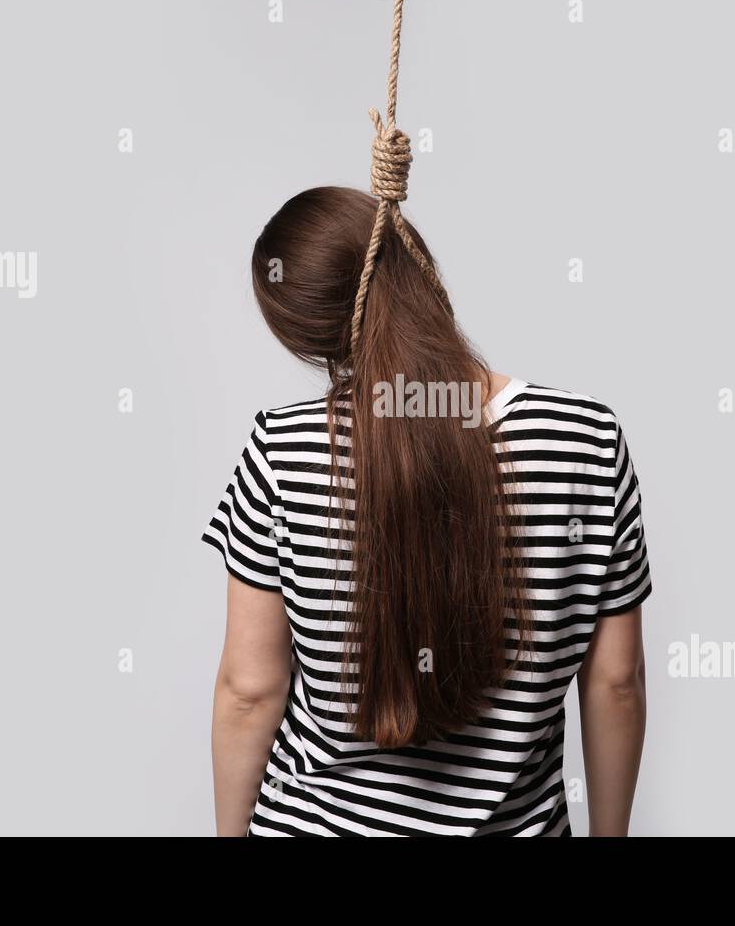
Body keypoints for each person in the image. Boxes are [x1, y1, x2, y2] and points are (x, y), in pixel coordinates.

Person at [204, 186, 652, 836]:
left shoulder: (283, 449)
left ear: (305, 332)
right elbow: (615, 683)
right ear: (419, 269)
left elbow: (249, 692)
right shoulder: (586, 437)